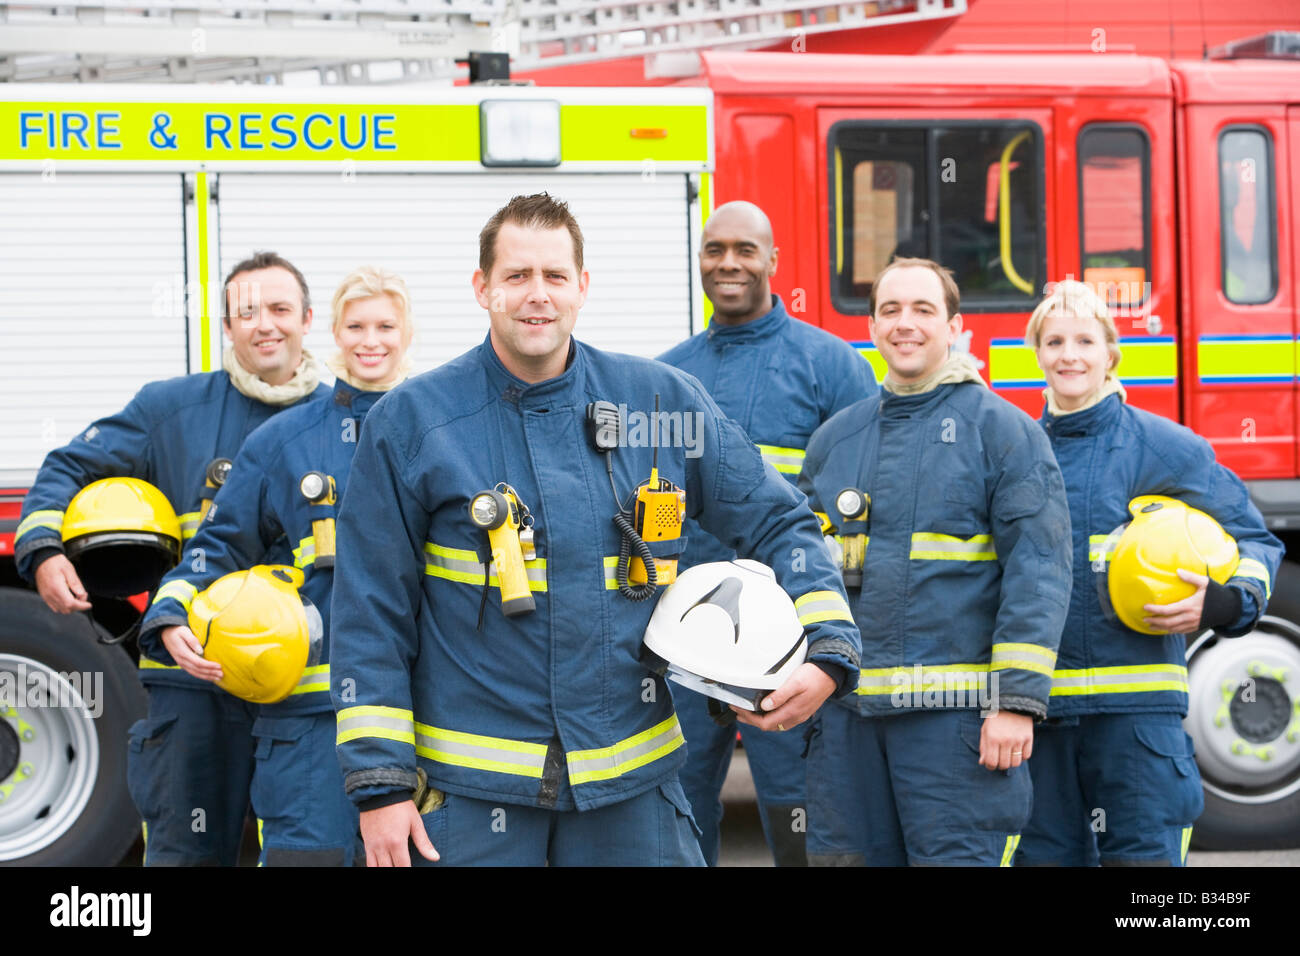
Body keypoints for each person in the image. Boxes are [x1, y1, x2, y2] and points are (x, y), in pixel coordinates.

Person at [329, 193, 861, 867]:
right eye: (516, 276)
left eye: (554, 276)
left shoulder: (660, 403)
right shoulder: (413, 424)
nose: (536, 295)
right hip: (471, 799)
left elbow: (780, 518)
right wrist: (380, 788)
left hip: (631, 796)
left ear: (582, 287)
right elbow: (370, 615)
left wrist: (829, 644)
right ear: (482, 288)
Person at [16, 251, 328, 866]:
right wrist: (45, 549)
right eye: (247, 312)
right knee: (187, 851)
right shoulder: (170, 411)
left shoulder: (345, 416)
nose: (265, 324)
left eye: (280, 309)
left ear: (307, 318)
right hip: (191, 677)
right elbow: (69, 466)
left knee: (309, 855)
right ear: (227, 329)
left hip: (306, 681)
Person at [797, 257, 1072, 866]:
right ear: (870, 327)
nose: (906, 324)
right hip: (848, 728)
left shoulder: (1003, 432)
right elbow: (804, 574)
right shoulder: (835, 442)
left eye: (923, 309)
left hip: (957, 732)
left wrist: (1016, 703)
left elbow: (1040, 573)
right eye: (890, 310)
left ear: (953, 326)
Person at [138, 266, 416, 866]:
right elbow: (217, 547)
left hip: (424, 720)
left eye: (386, 326)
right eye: (357, 326)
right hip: (309, 728)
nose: (371, 340)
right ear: (332, 333)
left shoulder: (442, 431)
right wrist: (170, 613)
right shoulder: (283, 440)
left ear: (408, 333)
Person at [1016, 279, 1283, 866]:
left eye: (1085, 340)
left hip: (1138, 725)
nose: (1069, 355)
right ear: (1036, 353)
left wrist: (1224, 603)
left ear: (1110, 353)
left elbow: (1254, 539)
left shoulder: (1165, 446)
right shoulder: (1018, 451)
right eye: (1054, 341)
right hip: (1041, 721)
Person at [657, 200, 876, 866]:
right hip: (684, 637)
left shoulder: (831, 367)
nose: (728, 262)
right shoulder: (666, 376)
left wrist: (840, 629)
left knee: (799, 806)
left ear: (773, 262)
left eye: (745, 250)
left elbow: (863, 505)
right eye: (715, 248)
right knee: (677, 805)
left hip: (788, 640)